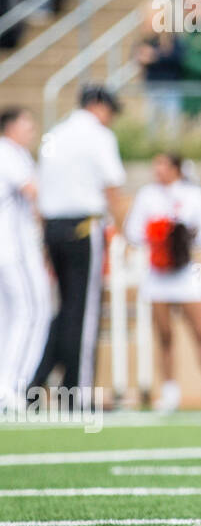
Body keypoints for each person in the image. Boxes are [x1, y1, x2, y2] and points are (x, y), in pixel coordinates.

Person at [31, 85, 127, 397]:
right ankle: (77, 391)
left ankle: (40, 378)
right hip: (83, 227)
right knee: (84, 311)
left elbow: (42, 189)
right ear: (99, 105)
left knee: (68, 308)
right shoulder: (99, 136)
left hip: (53, 227)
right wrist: (126, 230)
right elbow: (112, 187)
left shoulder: (55, 134)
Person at [124, 152, 201, 413]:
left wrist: (183, 237)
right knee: (164, 334)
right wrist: (157, 232)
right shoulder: (147, 196)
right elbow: (133, 231)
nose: (158, 171)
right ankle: (169, 390)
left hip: (188, 272)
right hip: (158, 273)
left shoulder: (194, 195)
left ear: (176, 168)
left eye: (163, 165)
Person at [0, 107, 50, 410]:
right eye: (26, 124)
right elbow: (33, 191)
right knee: (34, 311)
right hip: (13, 249)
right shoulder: (9, 153)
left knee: (8, 317)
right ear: (10, 127)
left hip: (8, 249)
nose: (31, 130)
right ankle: (12, 385)